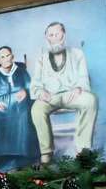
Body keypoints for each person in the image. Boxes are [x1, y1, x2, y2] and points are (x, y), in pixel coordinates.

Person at [29, 22, 98, 163]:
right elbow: (35, 84)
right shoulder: (41, 58)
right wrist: (41, 92)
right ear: (47, 38)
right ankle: (46, 152)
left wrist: (79, 88)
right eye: (51, 35)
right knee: (36, 109)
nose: (54, 37)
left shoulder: (77, 54)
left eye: (57, 34)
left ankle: (83, 149)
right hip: (50, 97)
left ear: (64, 35)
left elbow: (83, 77)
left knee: (90, 100)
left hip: (71, 94)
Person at [0, 46, 38, 169]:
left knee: (24, 114)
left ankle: (24, 156)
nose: (6, 59)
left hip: (20, 105)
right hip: (1, 107)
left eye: (8, 55)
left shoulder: (22, 72)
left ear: (12, 57)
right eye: (2, 57)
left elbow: (32, 88)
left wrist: (26, 92)